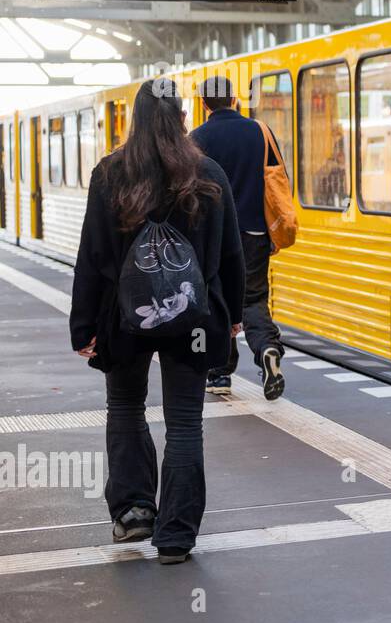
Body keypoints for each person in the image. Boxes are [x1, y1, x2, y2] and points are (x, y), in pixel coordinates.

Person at [69, 79, 245, 565]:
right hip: (192, 318)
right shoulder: (207, 174)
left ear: (136, 118)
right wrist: (231, 316)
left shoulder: (110, 174)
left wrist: (83, 326)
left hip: (124, 319)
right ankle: (176, 536)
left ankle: (133, 513)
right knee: (185, 424)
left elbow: (92, 257)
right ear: (183, 116)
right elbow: (230, 254)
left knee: (125, 408)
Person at [189, 75, 287, 400]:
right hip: (254, 231)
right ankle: (268, 350)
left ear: (203, 104)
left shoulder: (196, 139)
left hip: (213, 236)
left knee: (216, 299)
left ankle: (219, 373)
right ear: (234, 99)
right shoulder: (259, 131)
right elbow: (276, 182)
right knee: (253, 299)